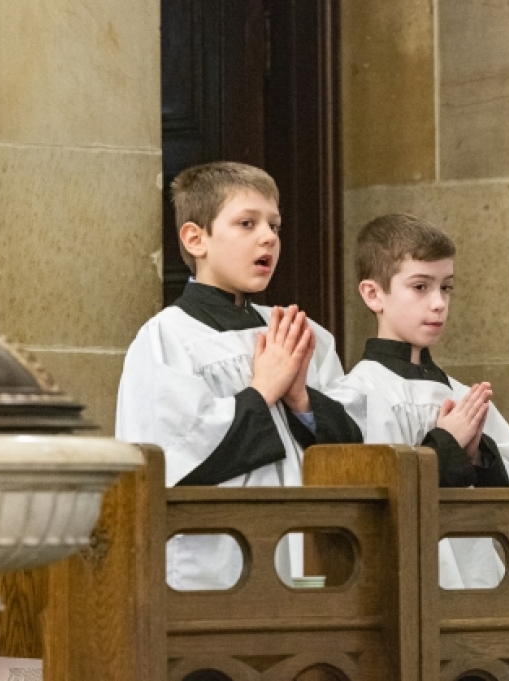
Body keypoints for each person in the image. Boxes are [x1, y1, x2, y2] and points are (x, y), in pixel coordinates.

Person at [116, 161, 361, 590]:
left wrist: (303, 400)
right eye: (246, 223)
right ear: (196, 239)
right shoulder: (167, 339)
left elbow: (359, 446)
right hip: (218, 568)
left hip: (311, 553)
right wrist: (263, 390)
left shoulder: (300, 334)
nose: (268, 237)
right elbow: (171, 459)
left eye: (274, 225)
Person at [326, 213, 509, 589]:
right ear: (373, 294)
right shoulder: (355, 397)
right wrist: (443, 449)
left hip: (479, 585)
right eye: (420, 287)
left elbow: (508, 503)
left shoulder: (460, 396)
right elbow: (368, 507)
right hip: (400, 587)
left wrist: (478, 456)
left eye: (446, 287)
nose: (438, 303)